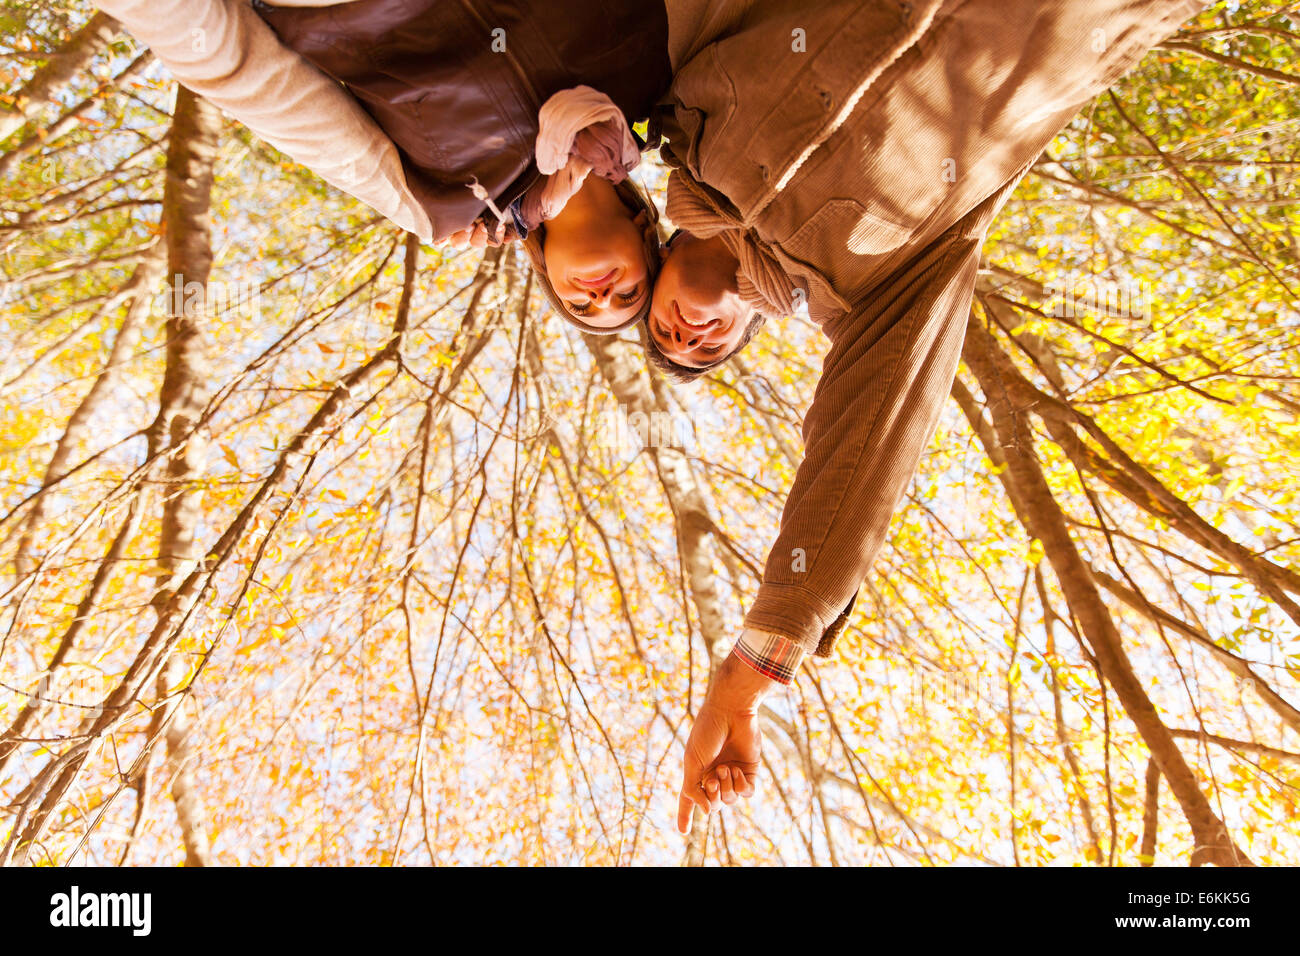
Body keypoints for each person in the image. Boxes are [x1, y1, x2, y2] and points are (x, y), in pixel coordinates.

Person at [654, 0, 1212, 835]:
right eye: (702, 351)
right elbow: (862, 450)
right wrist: (751, 668)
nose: (686, 337)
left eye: (661, 326)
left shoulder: (683, 103)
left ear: (657, 258)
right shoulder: (865, 294)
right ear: (745, 325)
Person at [94, 0, 673, 334]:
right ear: (647, 238)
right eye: (629, 295)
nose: (601, 297)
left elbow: (266, 90)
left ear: (545, 271)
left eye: (582, 307)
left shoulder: (447, 206)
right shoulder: (651, 81)